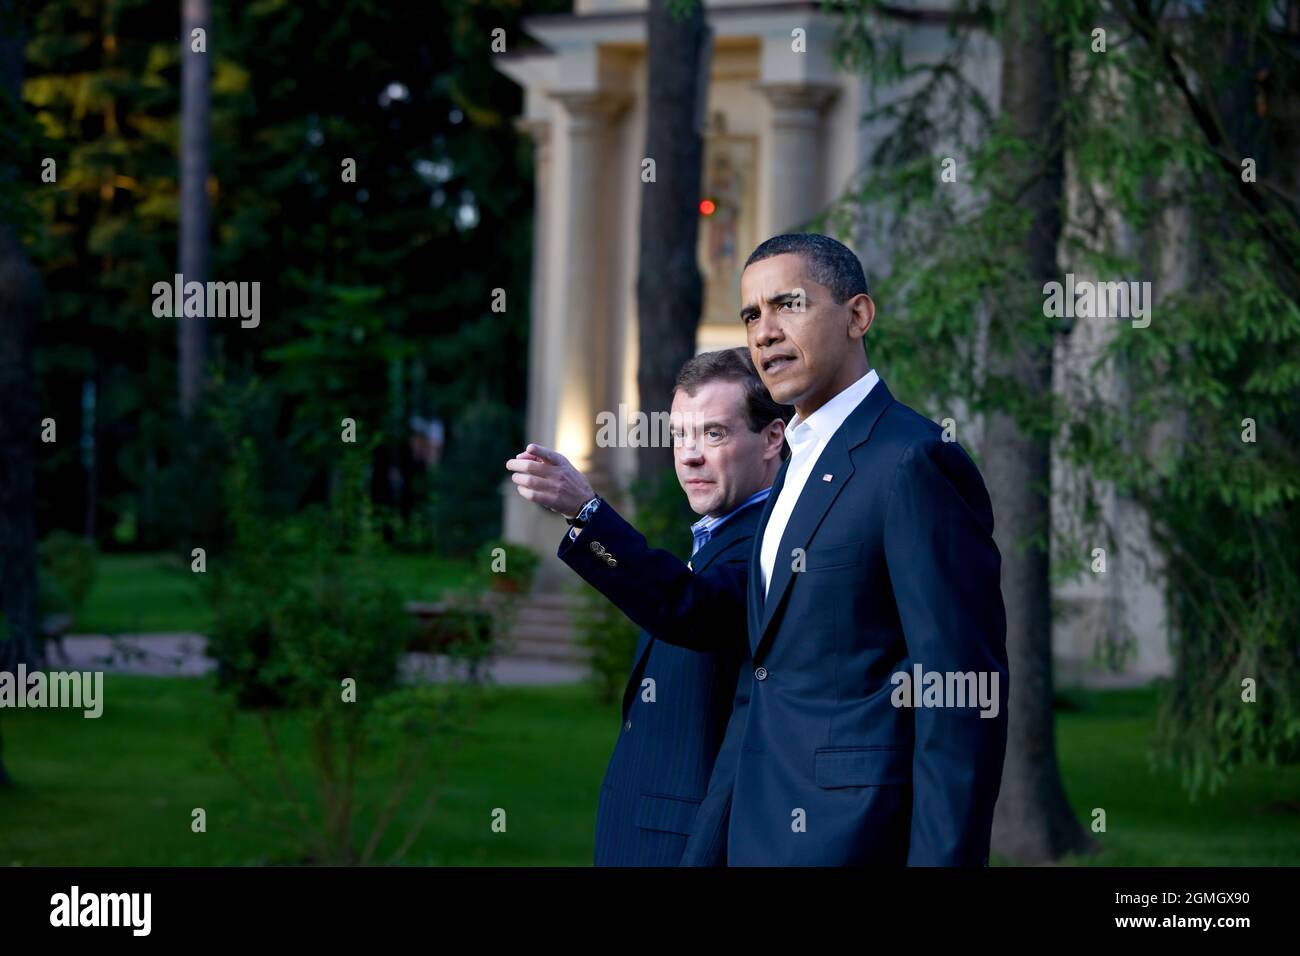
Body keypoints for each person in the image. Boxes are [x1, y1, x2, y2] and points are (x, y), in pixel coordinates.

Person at [666, 233, 1009, 866]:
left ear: (857, 316)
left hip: (853, 840)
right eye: (751, 315)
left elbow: (959, 692)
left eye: (787, 305)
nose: (764, 332)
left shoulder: (914, 461)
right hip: (752, 834)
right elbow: (761, 681)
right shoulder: (789, 464)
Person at [505, 348, 787, 866]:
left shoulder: (774, 543)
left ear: (773, 438)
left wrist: (587, 513)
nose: (690, 455)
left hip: (688, 848)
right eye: (681, 435)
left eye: (714, 433)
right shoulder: (718, 537)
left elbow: (686, 605)